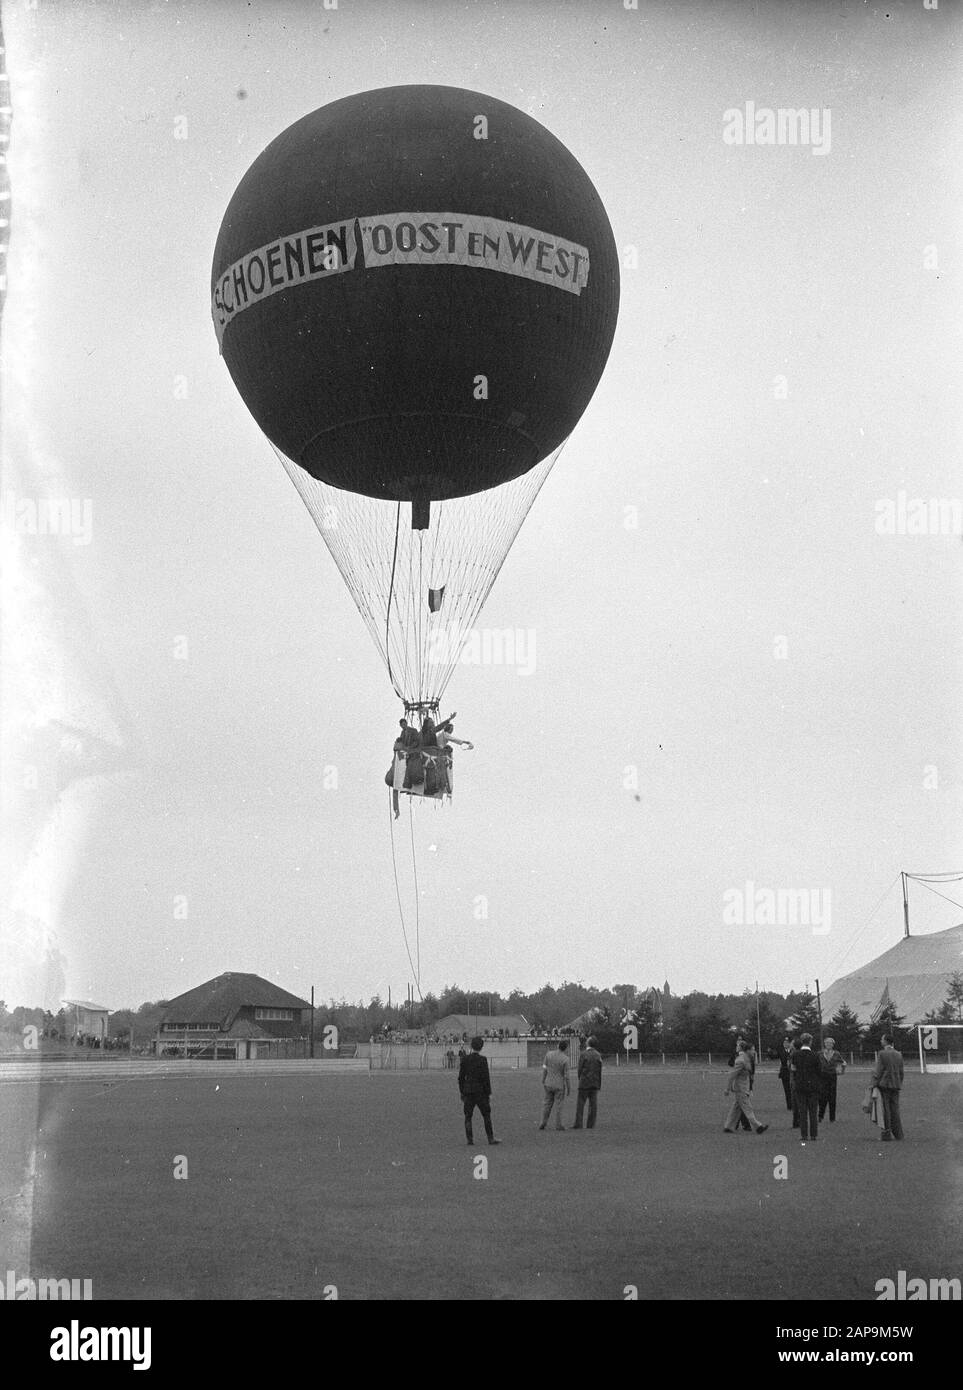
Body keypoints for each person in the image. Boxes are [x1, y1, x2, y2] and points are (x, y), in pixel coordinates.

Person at [457, 1036, 500, 1146]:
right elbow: (486, 1078)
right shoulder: (483, 1060)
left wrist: (462, 1091)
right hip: (480, 1092)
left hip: (468, 1091)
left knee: (468, 1116)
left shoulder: (465, 1059)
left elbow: (461, 1078)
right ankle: (490, 1138)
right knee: (486, 1115)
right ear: (481, 1047)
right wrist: (488, 1093)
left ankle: (469, 1139)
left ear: (471, 1046)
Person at [723, 1042, 769, 1134]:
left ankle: (728, 1127)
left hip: (744, 1087)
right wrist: (727, 1088)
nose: (754, 1051)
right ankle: (758, 1127)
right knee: (748, 1108)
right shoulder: (741, 1060)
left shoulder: (747, 1059)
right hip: (741, 1089)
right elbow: (732, 1075)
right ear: (747, 1050)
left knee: (736, 1108)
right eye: (752, 1049)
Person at [871, 1035, 904, 1141]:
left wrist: (874, 1084)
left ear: (885, 1041)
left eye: (882, 1039)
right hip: (896, 1085)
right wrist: (899, 1083)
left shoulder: (882, 1053)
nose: (881, 1041)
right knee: (895, 1109)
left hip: (884, 1084)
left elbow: (878, 1070)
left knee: (885, 1110)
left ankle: (886, 1134)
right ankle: (899, 1134)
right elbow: (901, 1072)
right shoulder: (898, 1054)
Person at [791, 1032, 822, 1142]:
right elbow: (819, 1071)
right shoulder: (815, 1055)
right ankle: (813, 1135)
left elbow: (793, 1069)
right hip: (813, 1086)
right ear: (810, 1042)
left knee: (802, 1112)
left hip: (800, 1086)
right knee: (813, 1112)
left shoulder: (795, 1054)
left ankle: (804, 1135)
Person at [540, 1039, 571, 1130]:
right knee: (559, 1105)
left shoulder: (548, 1054)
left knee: (547, 1104)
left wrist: (543, 1079)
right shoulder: (565, 1059)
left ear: (558, 1045)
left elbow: (545, 1069)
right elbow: (567, 1076)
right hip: (559, 1085)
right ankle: (558, 1125)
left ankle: (543, 1122)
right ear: (566, 1048)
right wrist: (569, 1088)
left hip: (548, 1083)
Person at [573, 1035, 603, 1129]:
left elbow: (579, 1069)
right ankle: (590, 1125)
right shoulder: (598, 1055)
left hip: (584, 1083)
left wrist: (580, 1079)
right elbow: (599, 1070)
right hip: (595, 1083)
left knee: (580, 1104)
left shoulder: (584, 1054)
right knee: (593, 1106)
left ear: (588, 1043)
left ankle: (578, 1124)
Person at [817, 1035, 846, 1122]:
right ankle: (820, 1116)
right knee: (822, 1097)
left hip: (832, 1076)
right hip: (822, 1076)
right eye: (827, 1043)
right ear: (824, 1044)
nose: (828, 1044)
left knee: (832, 1097)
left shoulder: (836, 1053)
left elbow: (843, 1063)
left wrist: (842, 1071)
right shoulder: (820, 1053)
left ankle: (832, 1118)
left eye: (830, 1043)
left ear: (833, 1044)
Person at [726, 1038, 753, 1131]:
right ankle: (734, 1125)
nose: (736, 1047)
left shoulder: (745, 1057)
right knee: (739, 1106)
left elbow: (750, 1071)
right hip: (739, 1084)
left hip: (743, 1085)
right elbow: (730, 1064)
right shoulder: (737, 1056)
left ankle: (745, 1125)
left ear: (741, 1047)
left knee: (741, 1106)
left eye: (738, 1045)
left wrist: (750, 1086)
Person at [777, 1034, 794, 1111]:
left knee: (793, 1089)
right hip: (785, 1073)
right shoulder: (781, 1051)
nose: (785, 1044)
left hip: (792, 1073)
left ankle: (794, 1104)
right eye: (784, 1042)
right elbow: (782, 1058)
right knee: (787, 1090)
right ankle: (789, 1106)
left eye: (787, 1042)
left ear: (790, 1043)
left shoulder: (794, 1051)